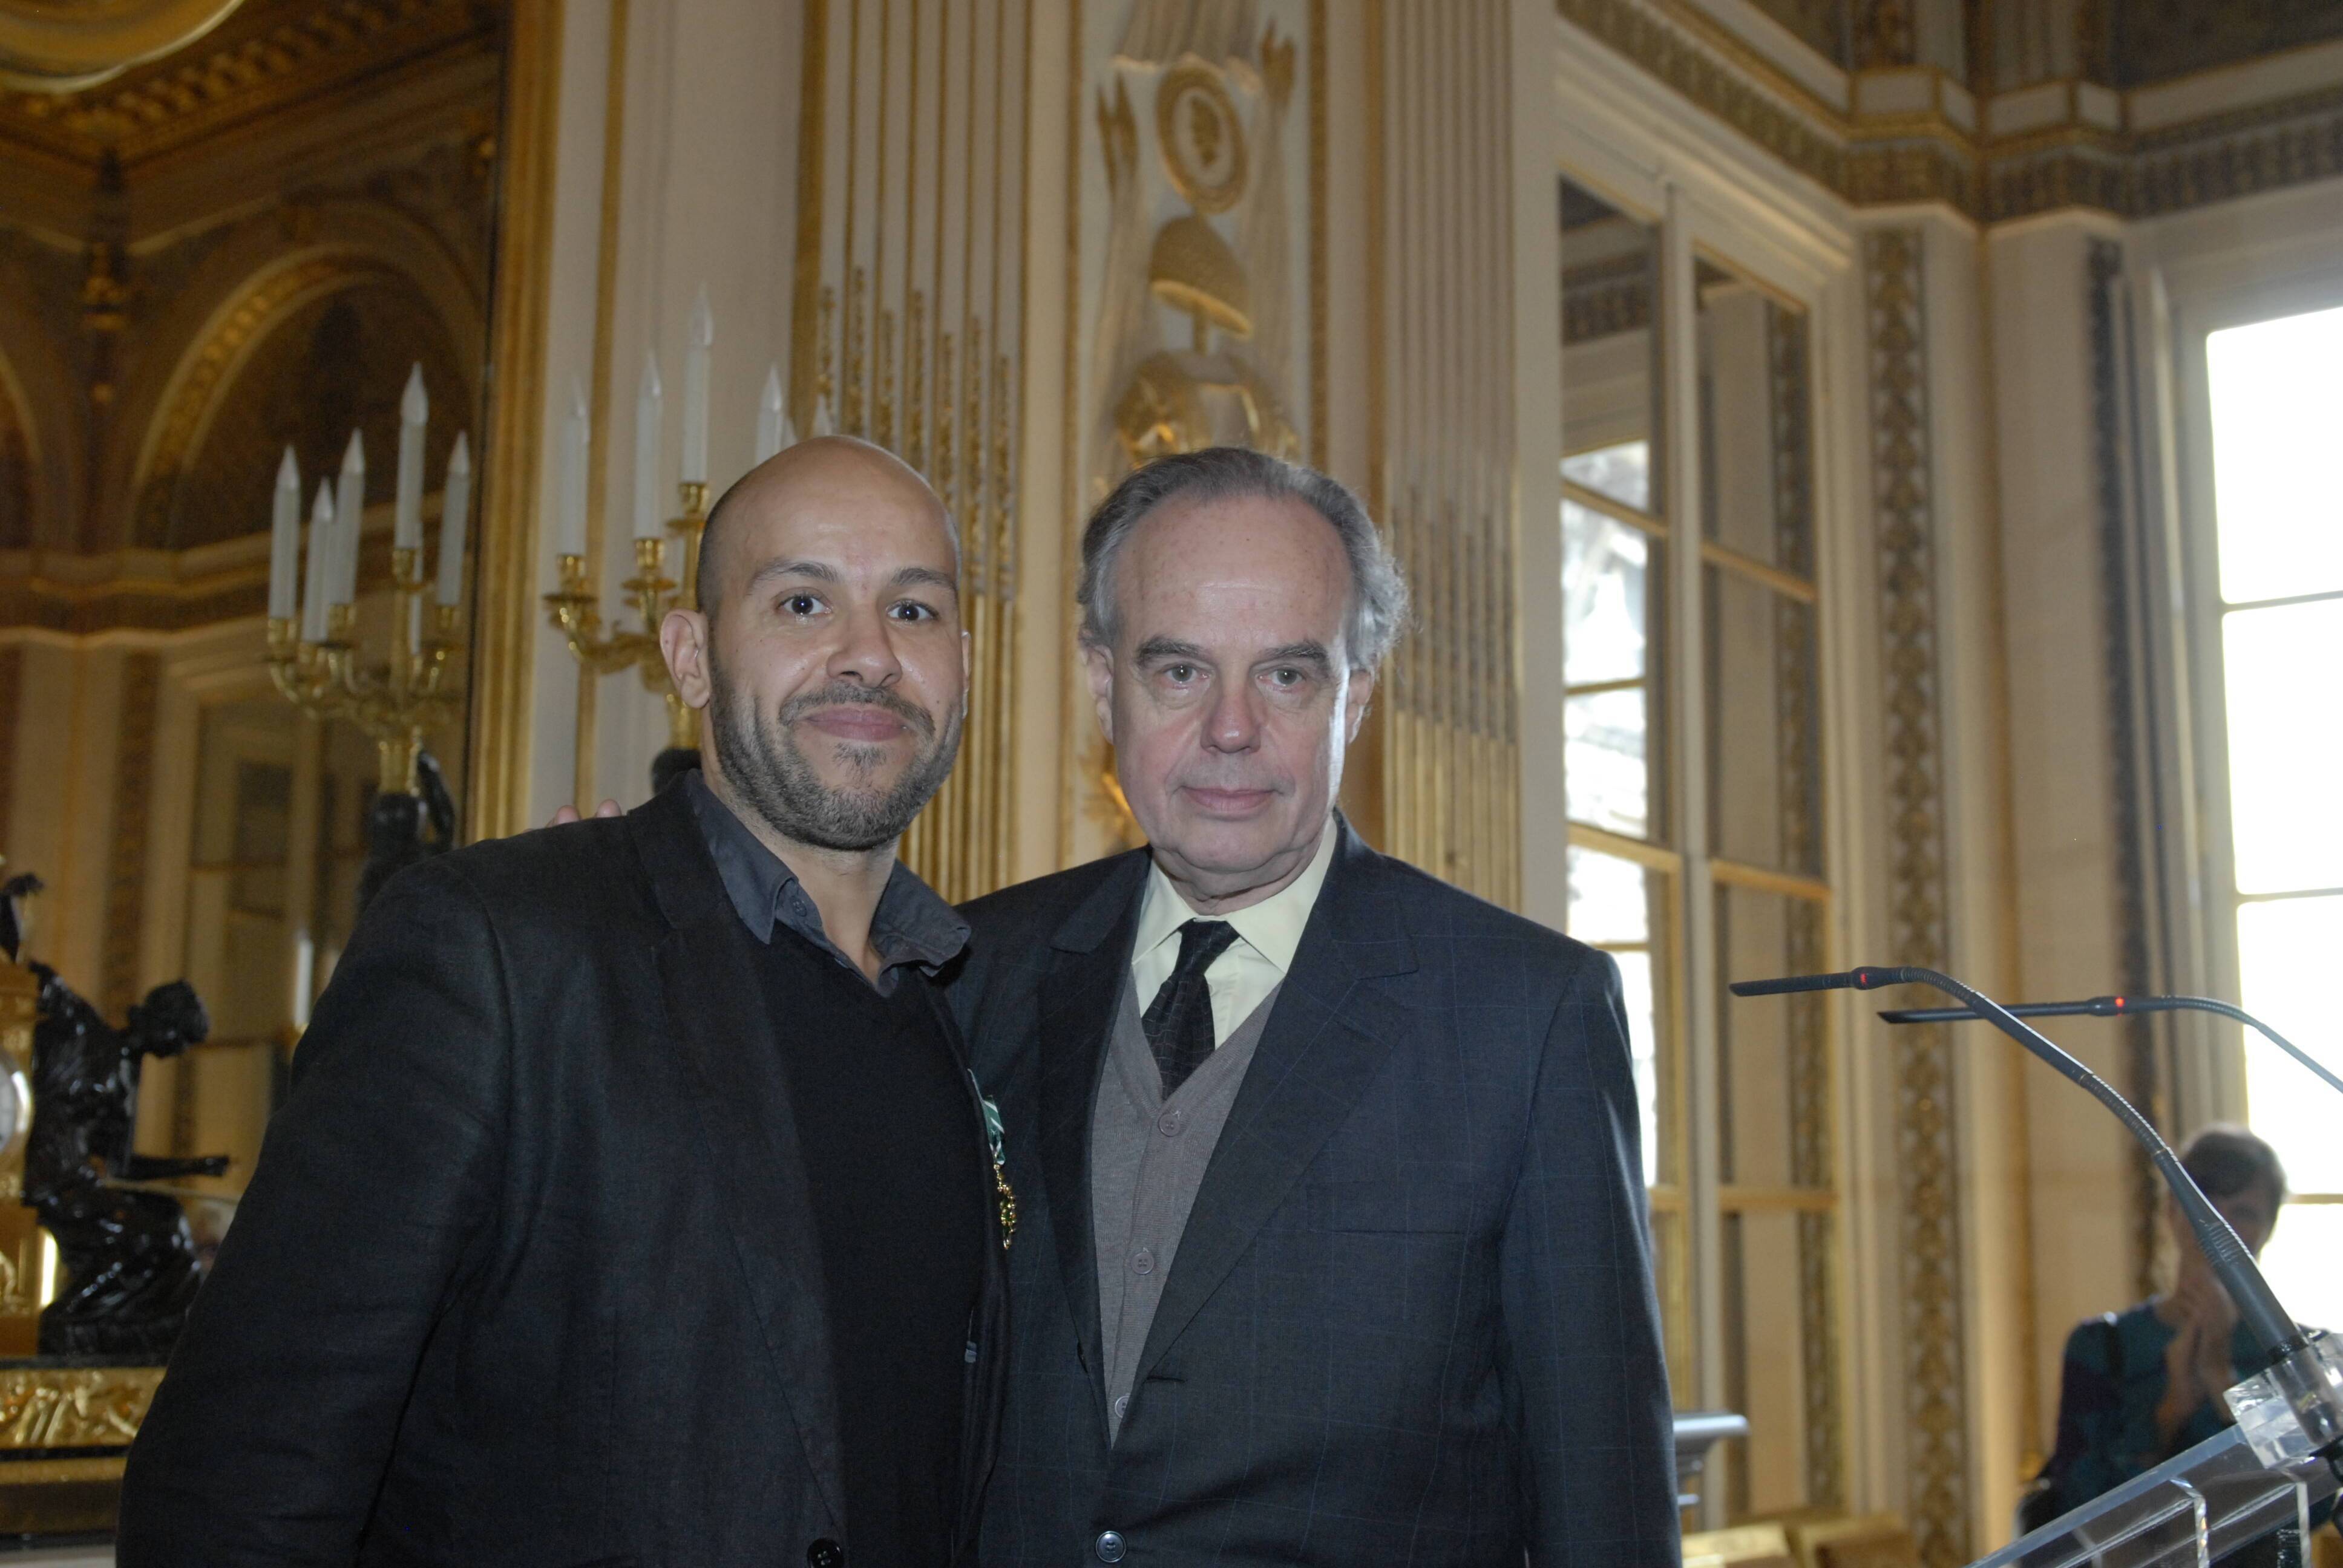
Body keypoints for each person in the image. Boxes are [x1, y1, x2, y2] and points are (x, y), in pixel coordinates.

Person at [120, 437, 1007, 1567]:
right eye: (802, 602)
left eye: (915, 611)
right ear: (690, 655)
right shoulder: (498, 951)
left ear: (963, 664)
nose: (870, 655)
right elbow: (242, 1481)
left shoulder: (965, 1004)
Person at [952, 448, 1677, 1566]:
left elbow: (1605, 1510)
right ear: (1102, 683)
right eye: (1179, 671)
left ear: (1357, 695)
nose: (1231, 729)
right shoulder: (969, 974)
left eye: (1287, 675)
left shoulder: (1526, 1019)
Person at [2027, 1125, 2292, 1527]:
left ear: (2269, 1227)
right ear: (2171, 1210)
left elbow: (2308, 1501)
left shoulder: (2297, 1356)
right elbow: (2077, 1506)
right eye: (2203, 1205)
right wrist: (2169, 1412)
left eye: (2243, 1213)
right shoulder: (2100, 1347)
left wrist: (2222, 1379)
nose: (2218, 1227)